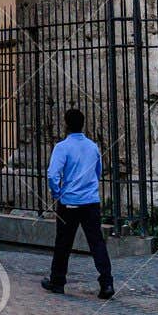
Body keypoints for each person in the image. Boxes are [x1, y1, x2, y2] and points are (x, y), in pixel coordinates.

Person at [40, 108, 114, 299]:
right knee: (97, 242)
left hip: (69, 201)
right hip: (90, 201)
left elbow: (52, 174)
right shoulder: (93, 147)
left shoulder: (62, 147)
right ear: (82, 124)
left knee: (63, 242)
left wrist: (57, 192)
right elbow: (98, 171)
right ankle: (106, 282)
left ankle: (57, 281)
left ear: (65, 124)